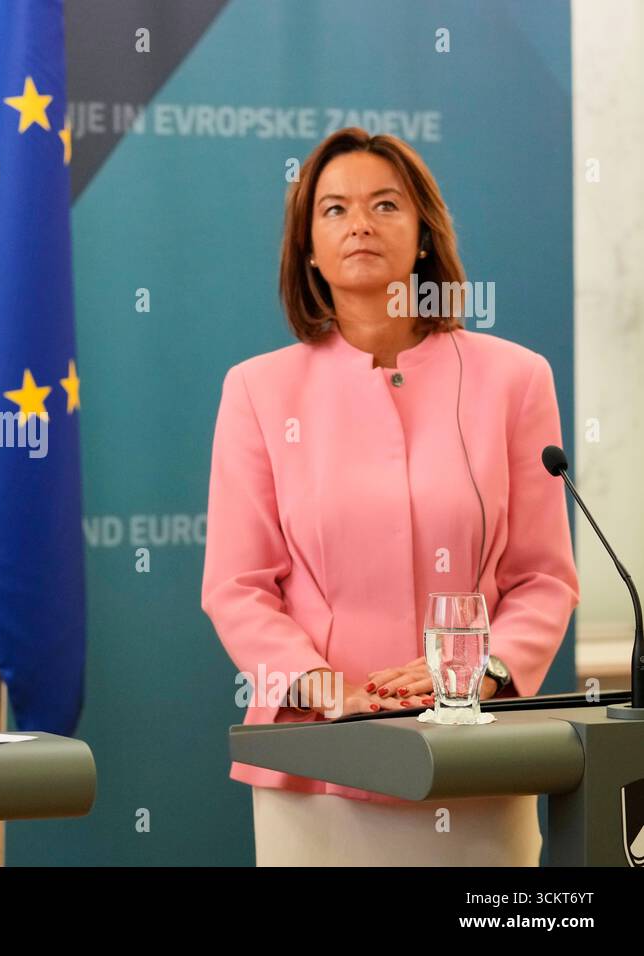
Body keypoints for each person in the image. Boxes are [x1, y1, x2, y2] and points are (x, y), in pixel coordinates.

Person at [201, 127, 579, 866]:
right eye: (334, 210)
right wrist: (315, 683)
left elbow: (543, 577)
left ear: (425, 238)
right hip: (317, 762)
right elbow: (237, 587)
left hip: (473, 763)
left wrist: (487, 667)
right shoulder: (257, 389)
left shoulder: (515, 378)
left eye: (385, 205)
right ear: (308, 249)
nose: (361, 225)